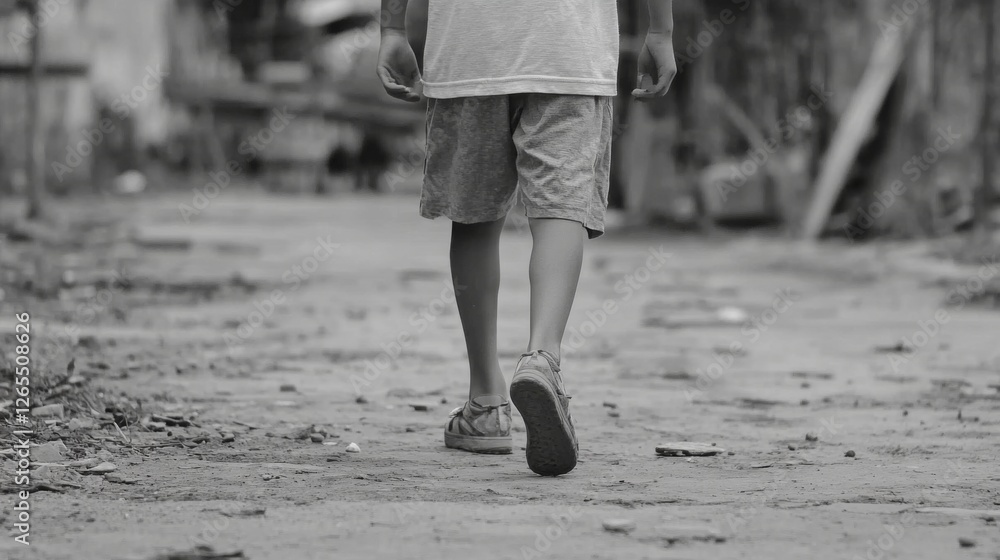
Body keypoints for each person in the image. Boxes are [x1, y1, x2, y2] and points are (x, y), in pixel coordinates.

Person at [377, 0, 676, 476]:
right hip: (569, 48)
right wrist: (660, 30)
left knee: (473, 217)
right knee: (561, 205)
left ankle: (485, 403)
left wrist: (392, 28)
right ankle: (542, 358)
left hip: (469, 50)